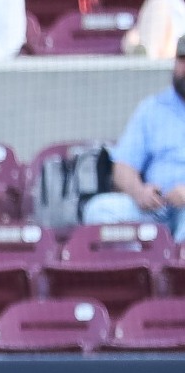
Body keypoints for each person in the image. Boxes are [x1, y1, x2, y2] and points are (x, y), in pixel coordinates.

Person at [82, 40, 185, 240]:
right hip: (157, 208)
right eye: (182, 60)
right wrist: (139, 192)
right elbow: (123, 166)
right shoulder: (153, 108)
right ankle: (133, 270)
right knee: (100, 210)